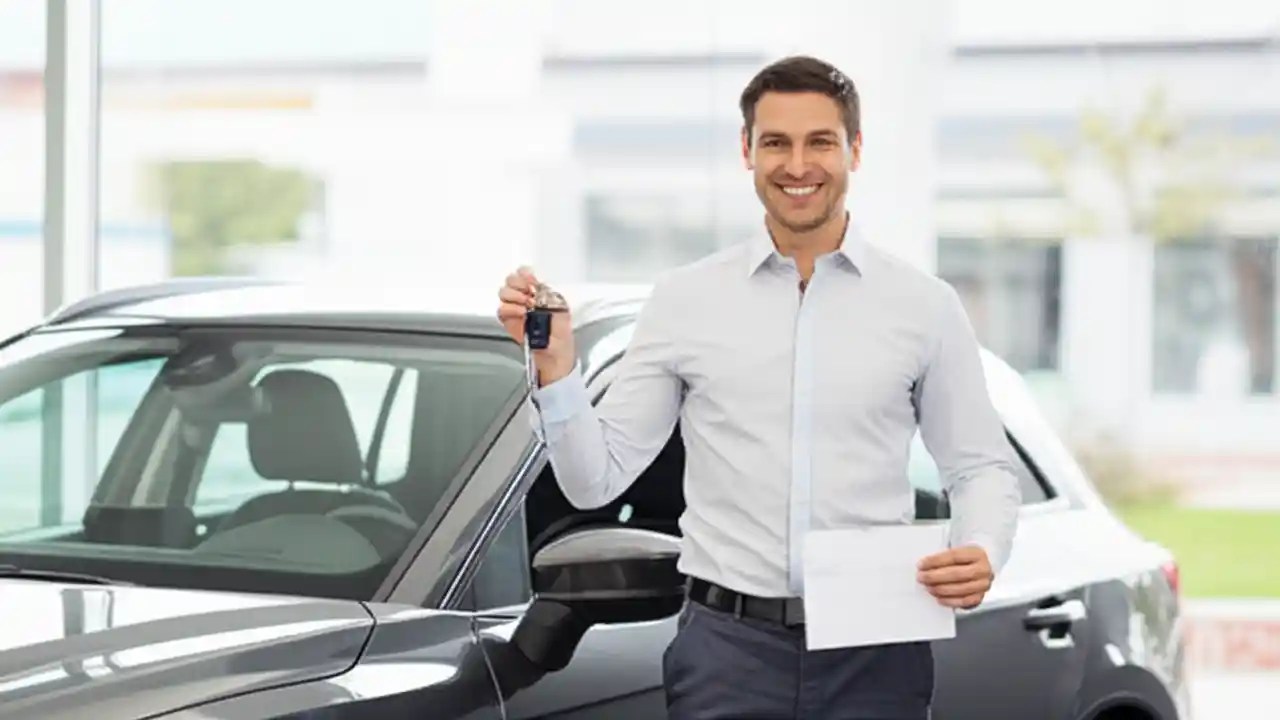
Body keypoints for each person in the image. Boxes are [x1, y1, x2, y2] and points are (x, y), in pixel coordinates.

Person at [496, 55, 1021, 720]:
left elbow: (980, 466)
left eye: (820, 142)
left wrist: (982, 546)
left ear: (854, 150)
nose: (797, 165)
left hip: (876, 648)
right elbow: (594, 481)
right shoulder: (686, 300)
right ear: (747, 151)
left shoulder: (925, 306)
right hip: (727, 653)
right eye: (776, 142)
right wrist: (559, 369)